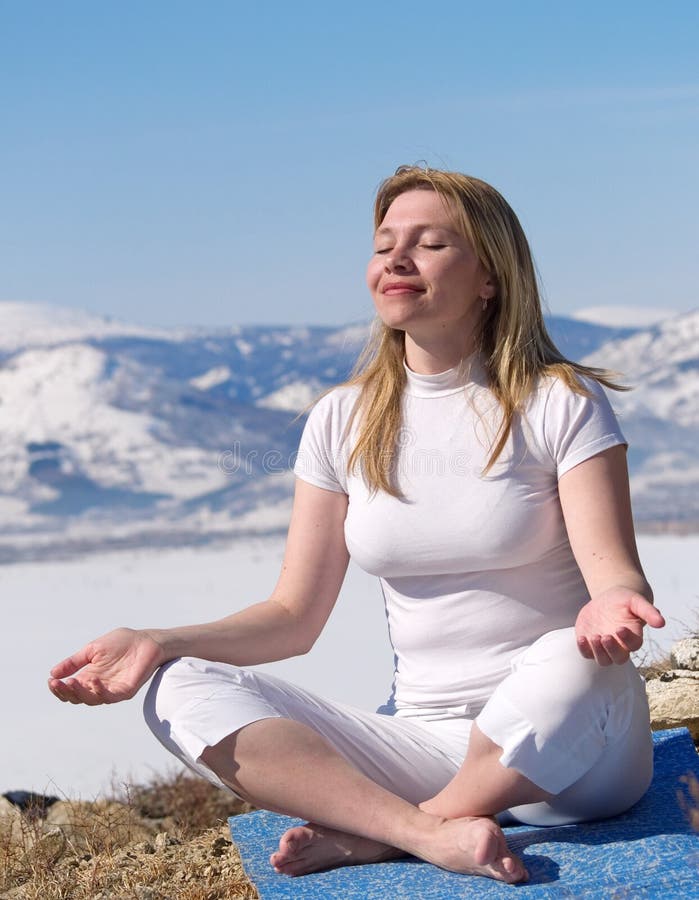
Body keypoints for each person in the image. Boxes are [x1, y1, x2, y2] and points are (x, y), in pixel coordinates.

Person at [49, 166, 665, 885]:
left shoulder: (559, 402)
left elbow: (612, 574)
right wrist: (157, 642)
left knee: (573, 658)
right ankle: (419, 828)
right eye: (383, 245)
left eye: (429, 244)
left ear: (490, 277)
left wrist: (612, 602)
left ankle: (395, 831)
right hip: (423, 738)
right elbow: (291, 617)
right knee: (175, 685)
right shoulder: (342, 419)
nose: (396, 260)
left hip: (576, 752)